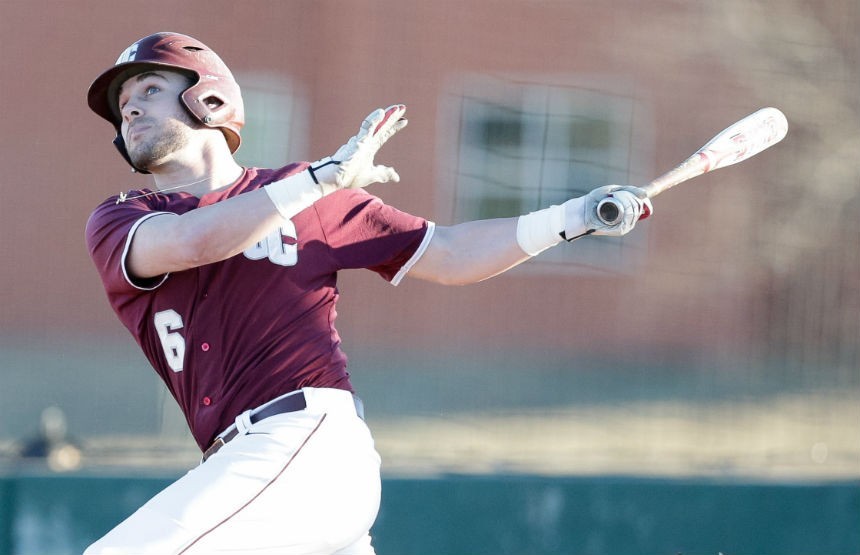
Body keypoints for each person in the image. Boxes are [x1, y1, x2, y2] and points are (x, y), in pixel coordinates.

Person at [83, 32, 652, 555]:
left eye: (150, 88)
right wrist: (318, 180)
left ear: (208, 101)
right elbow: (189, 242)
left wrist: (573, 215)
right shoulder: (122, 217)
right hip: (246, 466)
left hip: (303, 443)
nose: (129, 107)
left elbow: (451, 255)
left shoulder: (310, 195)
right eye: (122, 102)